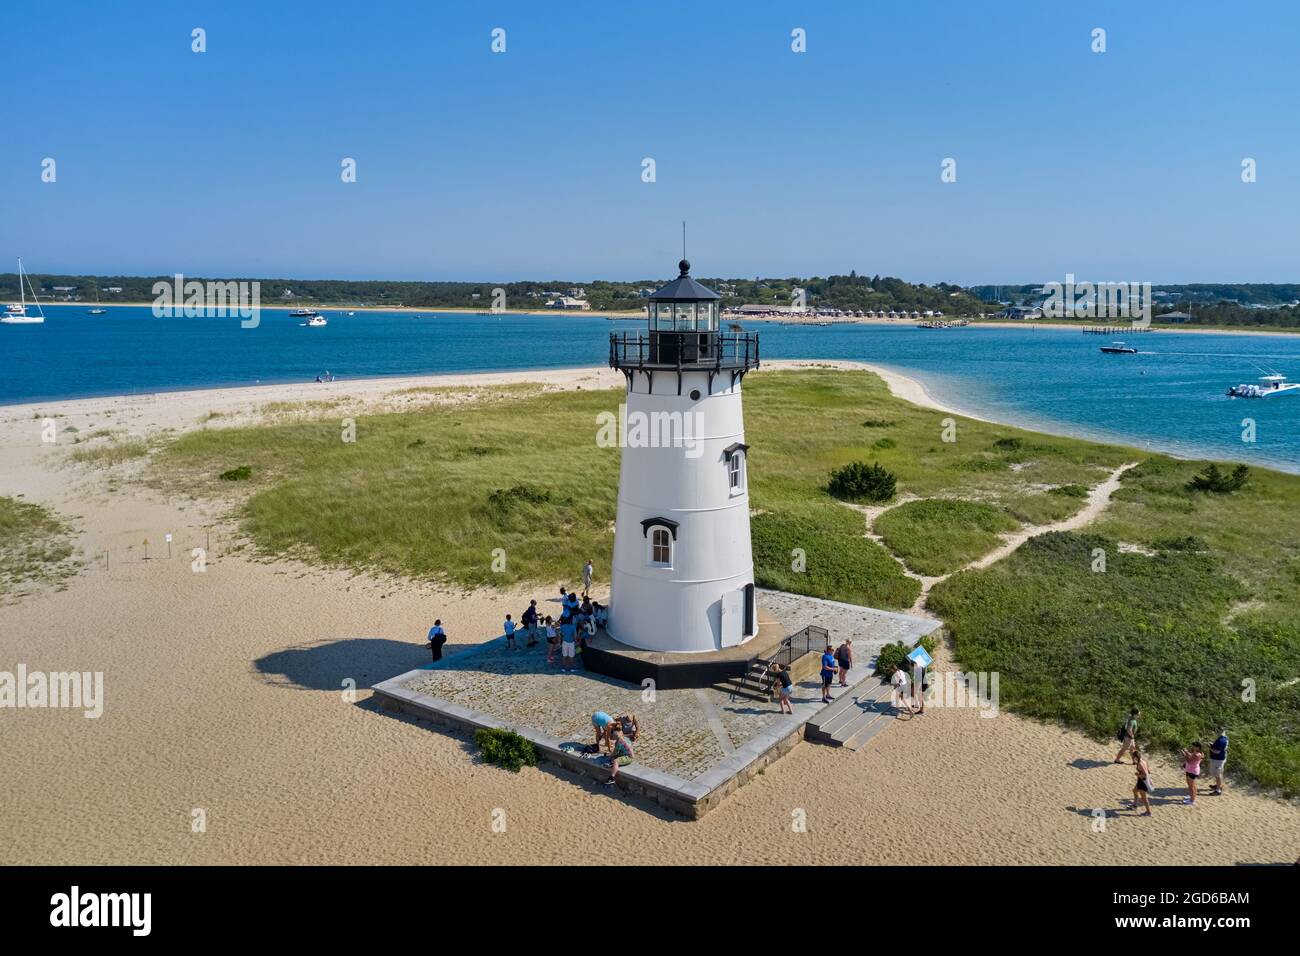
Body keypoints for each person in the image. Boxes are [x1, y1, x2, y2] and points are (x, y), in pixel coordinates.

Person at [1131, 748, 1154, 816]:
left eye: (1132, 756)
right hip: (1141, 781)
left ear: (1135, 757)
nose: (1132, 758)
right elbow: (1149, 771)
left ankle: (1148, 812)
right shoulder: (1143, 761)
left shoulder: (1140, 764)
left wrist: (1138, 774)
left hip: (1142, 782)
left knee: (1144, 798)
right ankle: (1135, 805)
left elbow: (1145, 774)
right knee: (1134, 791)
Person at [1207, 727, 1228, 795]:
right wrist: (1213, 745)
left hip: (1218, 760)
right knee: (1218, 774)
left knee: (1218, 774)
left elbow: (1217, 751)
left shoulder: (1220, 740)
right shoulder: (1225, 738)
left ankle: (1218, 790)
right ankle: (1218, 785)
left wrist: (1210, 747)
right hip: (1220, 758)